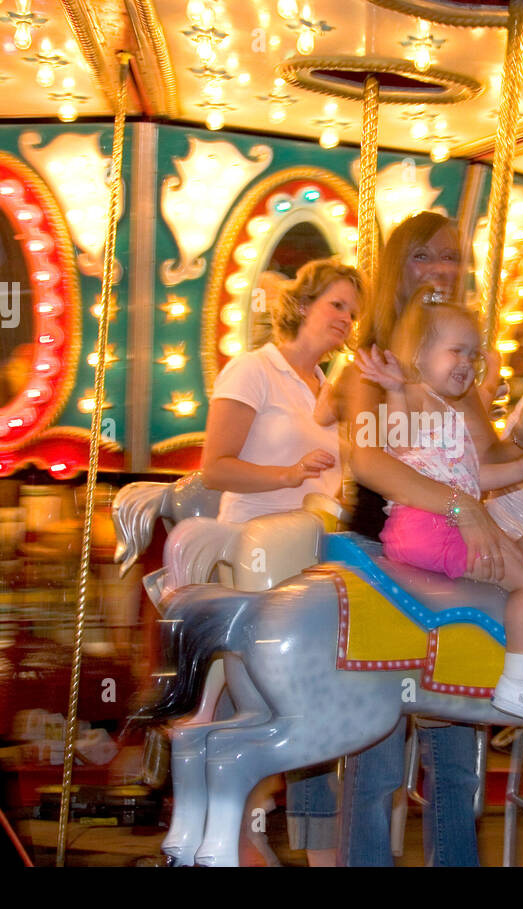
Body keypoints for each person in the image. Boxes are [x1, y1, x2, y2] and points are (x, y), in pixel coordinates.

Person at [334, 211, 523, 866]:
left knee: (459, 760)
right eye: (424, 256)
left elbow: (489, 453)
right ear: (397, 268)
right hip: (389, 550)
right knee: (378, 761)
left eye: (453, 258)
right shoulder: (376, 365)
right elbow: (372, 462)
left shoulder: (454, 365)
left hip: (454, 559)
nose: (441, 269)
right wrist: (464, 508)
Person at [201, 257, 364, 866]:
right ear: (302, 305)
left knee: (322, 703)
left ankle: (319, 848)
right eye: (336, 305)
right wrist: (289, 474)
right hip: (255, 553)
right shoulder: (254, 371)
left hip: (310, 559)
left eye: (353, 310)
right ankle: (239, 831)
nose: (347, 319)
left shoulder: (327, 389)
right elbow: (215, 465)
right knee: (266, 706)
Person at [355, 293, 523, 725]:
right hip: (430, 525)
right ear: (419, 356)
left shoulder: (449, 413)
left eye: (474, 355)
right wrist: (397, 388)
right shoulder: (417, 396)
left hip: (427, 525)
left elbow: (471, 480)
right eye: (457, 351)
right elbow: (398, 441)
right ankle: (519, 682)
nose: (468, 364)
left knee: (516, 560)